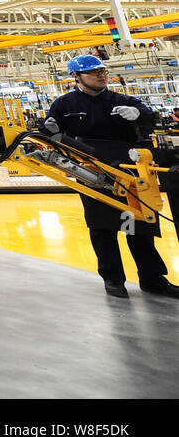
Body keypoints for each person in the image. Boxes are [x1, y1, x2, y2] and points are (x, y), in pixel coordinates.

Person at [44, 54, 179, 300]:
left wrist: (138, 114)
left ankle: (152, 279)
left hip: (128, 169)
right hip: (90, 171)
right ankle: (113, 280)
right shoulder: (64, 105)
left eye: (103, 70)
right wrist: (50, 130)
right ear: (77, 77)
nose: (101, 75)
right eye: (93, 72)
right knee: (102, 226)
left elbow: (151, 117)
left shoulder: (121, 100)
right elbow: (49, 131)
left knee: (138, 225)